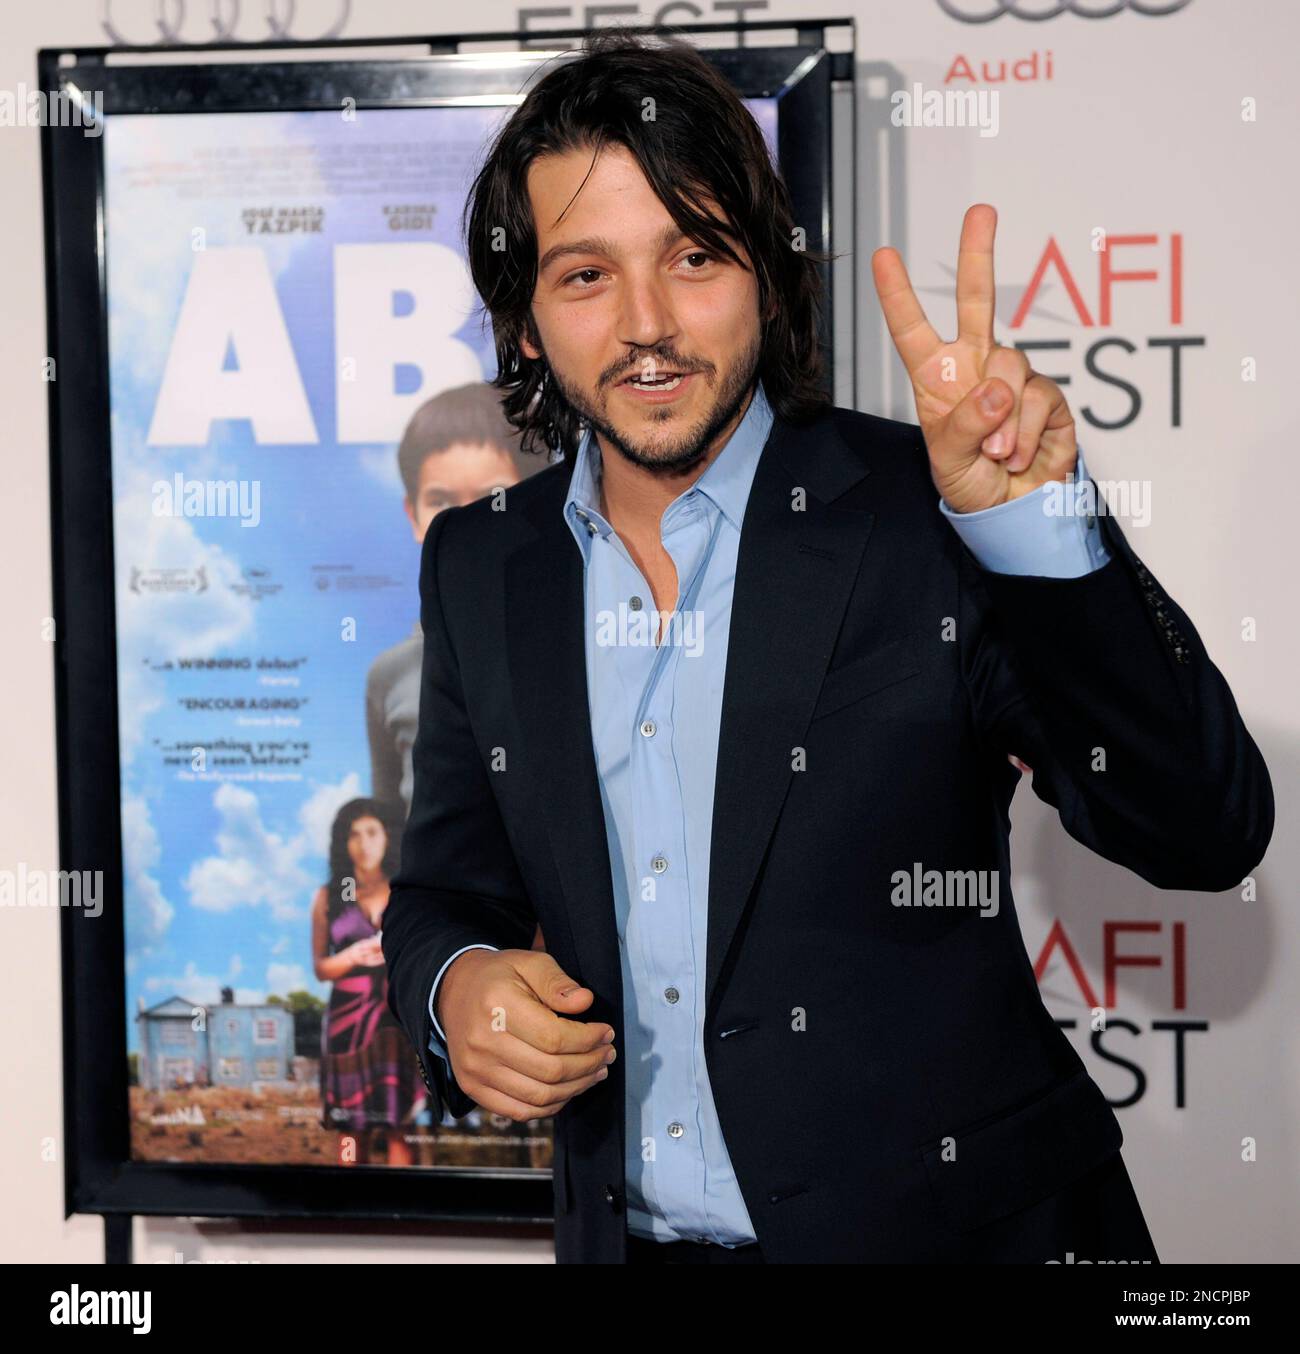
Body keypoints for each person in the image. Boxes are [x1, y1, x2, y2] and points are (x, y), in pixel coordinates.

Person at [381, 30, 1273, 1263]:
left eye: (694, 256)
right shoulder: (481, 560)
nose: (647, 324)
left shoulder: (930, 511)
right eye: (585, 276)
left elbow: (1201, 829)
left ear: (769, 276)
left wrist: (1032, 524)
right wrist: (456, 984)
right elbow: (443, 892)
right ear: (524, 323)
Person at [365, 382, 543, 820]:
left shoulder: (585, 648)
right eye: (441, 503)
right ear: (413, 515)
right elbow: (392, 835)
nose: (466, 526)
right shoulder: (390, 676)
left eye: (492, 500)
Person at [313, 797, 418, 1165]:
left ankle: (402, 1214)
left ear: (387, 837)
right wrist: (352, 956)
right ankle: (346, 1202)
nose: (364, 842)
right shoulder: (328, 897)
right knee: (350, 1126)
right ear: (344, 842)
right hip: (347, 1021)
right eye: (354, 834)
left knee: (399, 1123)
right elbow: (320, 968)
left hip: (395, 1018)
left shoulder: (407, 890)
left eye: (372, 832)